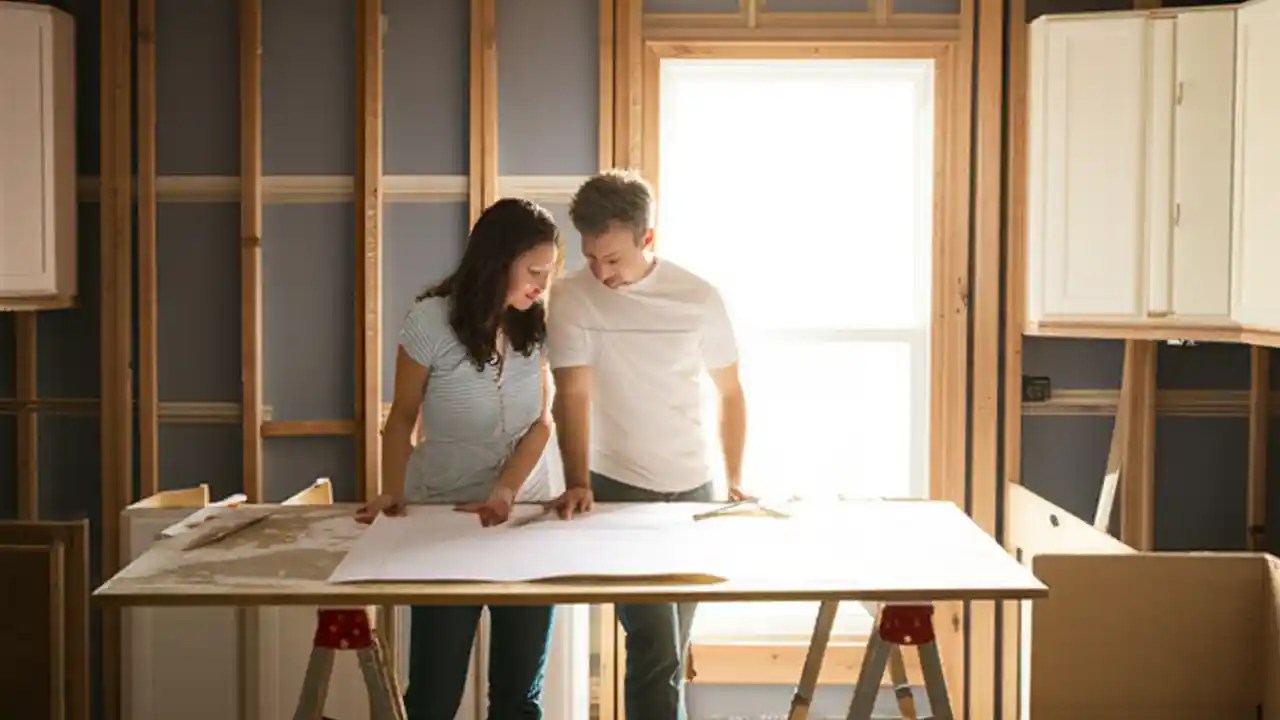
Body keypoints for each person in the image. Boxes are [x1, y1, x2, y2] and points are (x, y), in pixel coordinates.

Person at [545, 169, 748, 719]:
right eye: (591, 258)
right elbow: (571, 395)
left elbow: (730, 392)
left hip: (696, 489)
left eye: (613, 259)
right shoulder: (571, 297)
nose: (601, 272)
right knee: (655, 646)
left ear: (648, 239)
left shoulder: (698, 297)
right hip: (619, 487)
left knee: (673, 648)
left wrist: (733, 479)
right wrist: (578, 480)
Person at [356, 197, 563, 719]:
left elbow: (542, 423)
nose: (543, 285)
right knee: (433, 695)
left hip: (522, 517)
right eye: (534, 271)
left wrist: (504, 491)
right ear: (498, 261)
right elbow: (402, 417)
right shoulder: (431, 320)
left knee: (518, 700)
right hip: (444, 518)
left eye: (549, 273)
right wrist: (392, 490)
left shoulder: (535, 322)